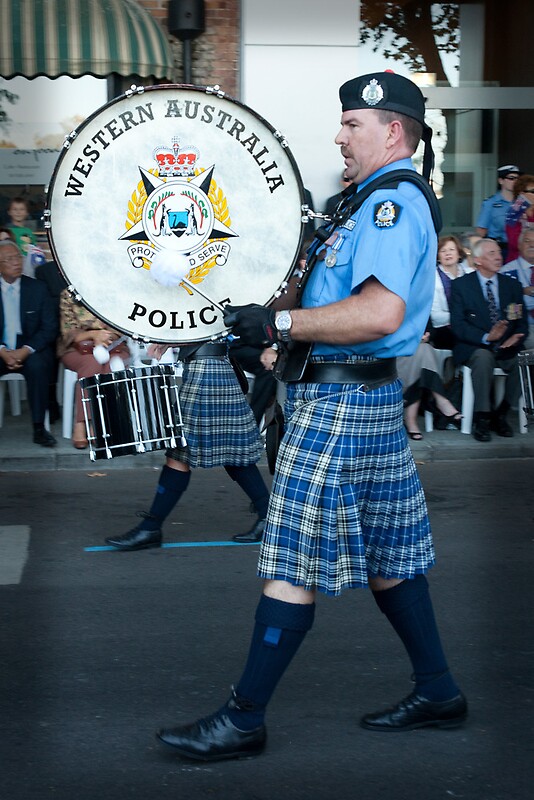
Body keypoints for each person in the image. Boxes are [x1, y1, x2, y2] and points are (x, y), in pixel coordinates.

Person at [154, 71, 467, 763]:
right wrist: (270, 335)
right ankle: (439, 690)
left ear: (393, 131)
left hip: (342, 407)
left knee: (291, 560)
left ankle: (243, 719)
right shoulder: (363, 202)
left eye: (352, 124)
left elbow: (379, 313)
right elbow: (335, 309)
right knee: (389, 554)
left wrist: (283, 323)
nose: (339, 136)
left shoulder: (390, 205)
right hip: (360, 398)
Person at [105, 338, 271, 549]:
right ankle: (268, 516)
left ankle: (150, 528)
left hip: (208, 371)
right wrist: (169, 342)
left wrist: (167, 340)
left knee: (183, 452)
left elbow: (211, 325)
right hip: (207, 368)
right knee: (231, 451)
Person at [450, 238, 527, 442]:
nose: (498, 257)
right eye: (492, 253)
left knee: (526, 360)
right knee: (483, 358)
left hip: (506, 347)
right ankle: (483, 417)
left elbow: (520, 322)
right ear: (478, 260)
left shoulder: (512, 286)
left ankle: (501, 413)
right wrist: (486, 337)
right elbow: (458, 324)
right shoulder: (461, 286)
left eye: (499, 252)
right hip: (475, 346)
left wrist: (516, 336)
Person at [0, 239, 58, 447]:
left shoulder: (37, 288)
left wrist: (25, 350)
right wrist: (3, 351)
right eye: (8, 259)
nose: (16, 262)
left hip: (30, 347)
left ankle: (39, 428)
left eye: (17, 257)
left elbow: (49, 328)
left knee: (38, 366)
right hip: (1, 349)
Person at [57, 288, 132, 448]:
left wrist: (105, 337)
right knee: (91, 363)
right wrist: (92, 335)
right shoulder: (69, 293)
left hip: (113, 346)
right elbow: (68, 332)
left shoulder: (115, 291)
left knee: (112, 365)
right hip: (77, 348)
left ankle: (101, 423)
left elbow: (123, 326)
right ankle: (82, 422)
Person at [399, 333, 462, 440]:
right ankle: (441, 401)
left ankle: (411, 419)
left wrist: (426, 336)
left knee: (425, 349)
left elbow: (433, 332)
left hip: (411, 356)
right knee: (421, 355)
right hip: (386, 358)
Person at [430, 234, 474, 351]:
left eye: (451, 249)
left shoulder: (470, 273)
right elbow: (436, 317)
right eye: (443, 251)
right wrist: (464, 317)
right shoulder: (432, 278)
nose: (447, 253)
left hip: (473, 327)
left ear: (459, 253)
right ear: (438, 256)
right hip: (445, 331)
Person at [475, 165, 521, 259]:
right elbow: (481, 231)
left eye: (517, 179)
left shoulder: (521, 202)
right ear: (501, 181)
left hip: (519, 249)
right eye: (511, 178)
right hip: (499, 249)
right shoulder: (491, 203)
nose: (515, 181)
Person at [501, 228, 534, 348]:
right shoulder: (508, 271)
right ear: (519, 245)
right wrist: (523, 292)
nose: (532, 245)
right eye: (527, 241)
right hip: (524, 327)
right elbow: (511, 309)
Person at [503, 173, 534, 264]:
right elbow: (514, 243)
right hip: (517, 263)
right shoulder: (514, 212)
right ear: (522, 194)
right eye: (533, 191)